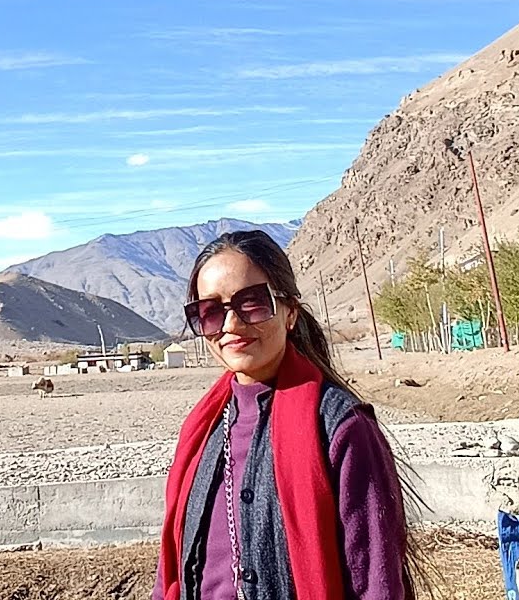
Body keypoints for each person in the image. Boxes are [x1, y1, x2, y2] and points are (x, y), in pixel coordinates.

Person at [154, 230, 422, 600]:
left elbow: (375, 583)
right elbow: (172, 576)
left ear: (290, 313)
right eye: (211, 312)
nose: (231, 325)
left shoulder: (341, 428)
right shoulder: (203, 433)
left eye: (252, 303)